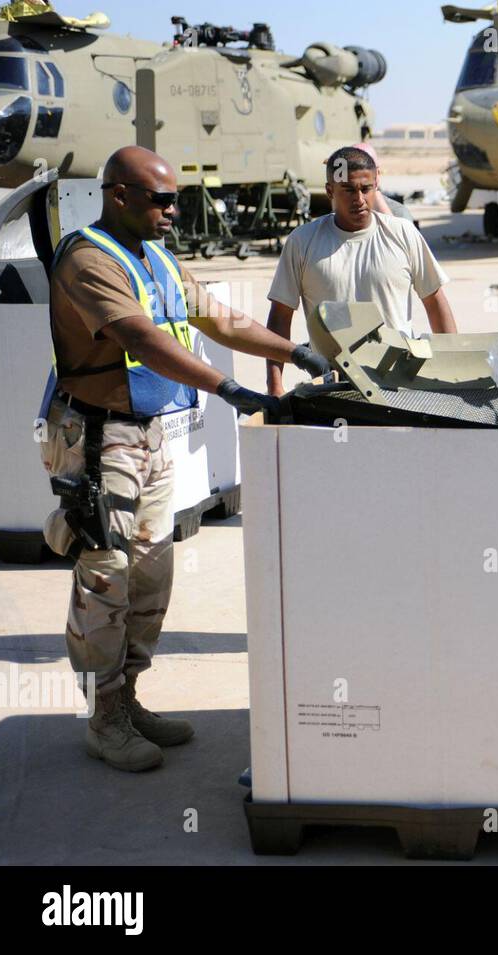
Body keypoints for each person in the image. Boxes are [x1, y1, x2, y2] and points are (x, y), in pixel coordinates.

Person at [41, 145, 330, 772]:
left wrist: (294, 351)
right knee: (105, 575)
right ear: (119, 196)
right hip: (96, 439)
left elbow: (217, 317)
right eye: (161, 199)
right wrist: (227, 388)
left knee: (150, 573)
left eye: (176, 198)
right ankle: (104, 716)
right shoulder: (90, 258)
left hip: (147, 434)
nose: (175, 209)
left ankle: (128, 696)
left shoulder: (159, 258)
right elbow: (139, 337)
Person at [265, 145, 456, 396]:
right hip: (332, 386)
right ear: (330, 191)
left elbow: (434, 301)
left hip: (399, 383)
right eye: (348, 190)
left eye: (366, 189)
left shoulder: (403, 233)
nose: (359, 199)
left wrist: (453, 371)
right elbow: (280, 317)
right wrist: (275, 387)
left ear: (376, 185)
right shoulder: (302, 242)